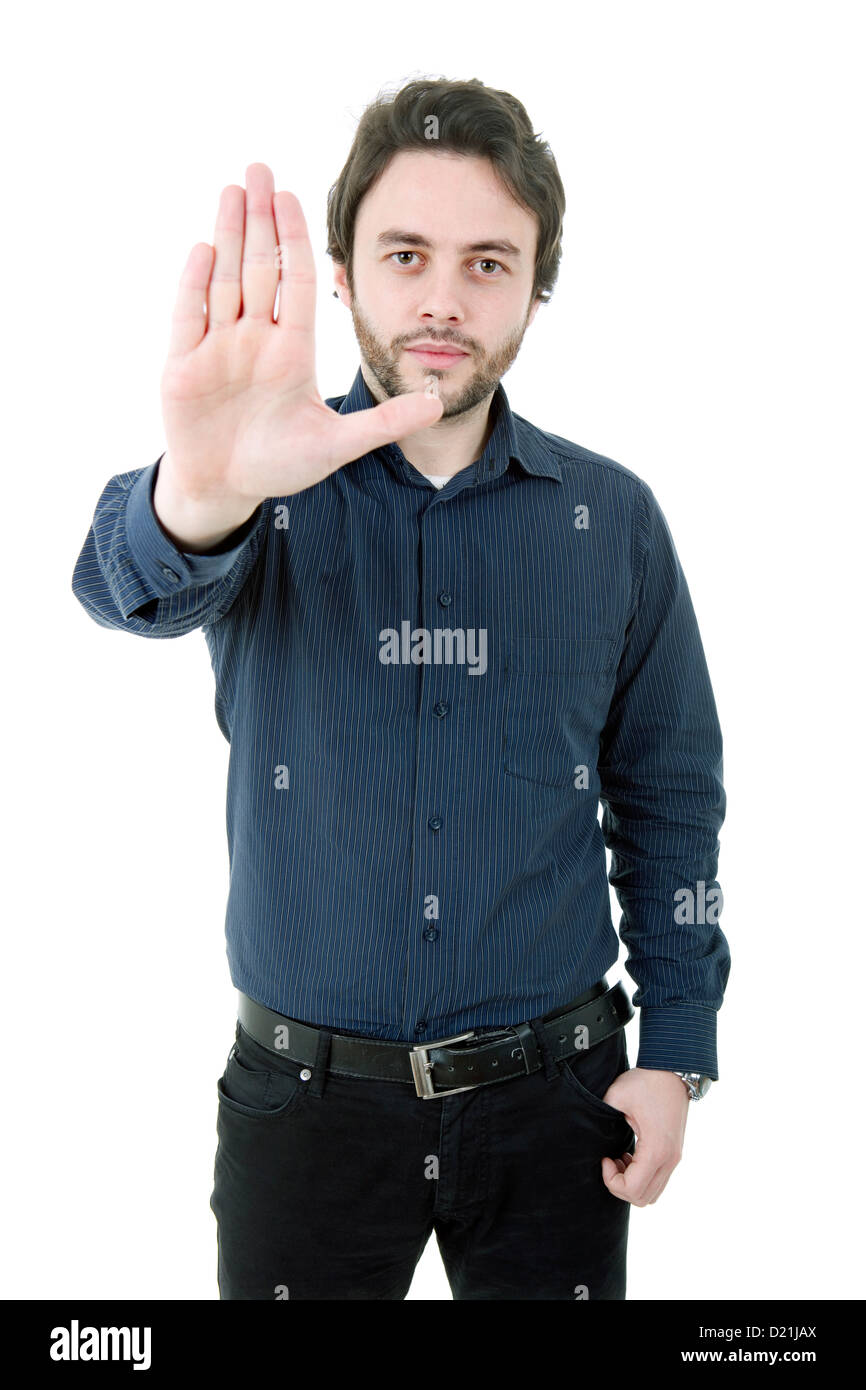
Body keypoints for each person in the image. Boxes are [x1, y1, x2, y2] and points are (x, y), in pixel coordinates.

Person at [71, 76, 729, 1301]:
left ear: (536, 285)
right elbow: (123, 590)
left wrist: (676, 1048)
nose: (440, 297)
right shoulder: (261, 486)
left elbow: (670, 796)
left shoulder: (611, 521)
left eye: (487, 262)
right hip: (303, 1111)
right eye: (405, 253)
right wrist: (203, 492)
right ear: (342, 271)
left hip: (555, 1103)